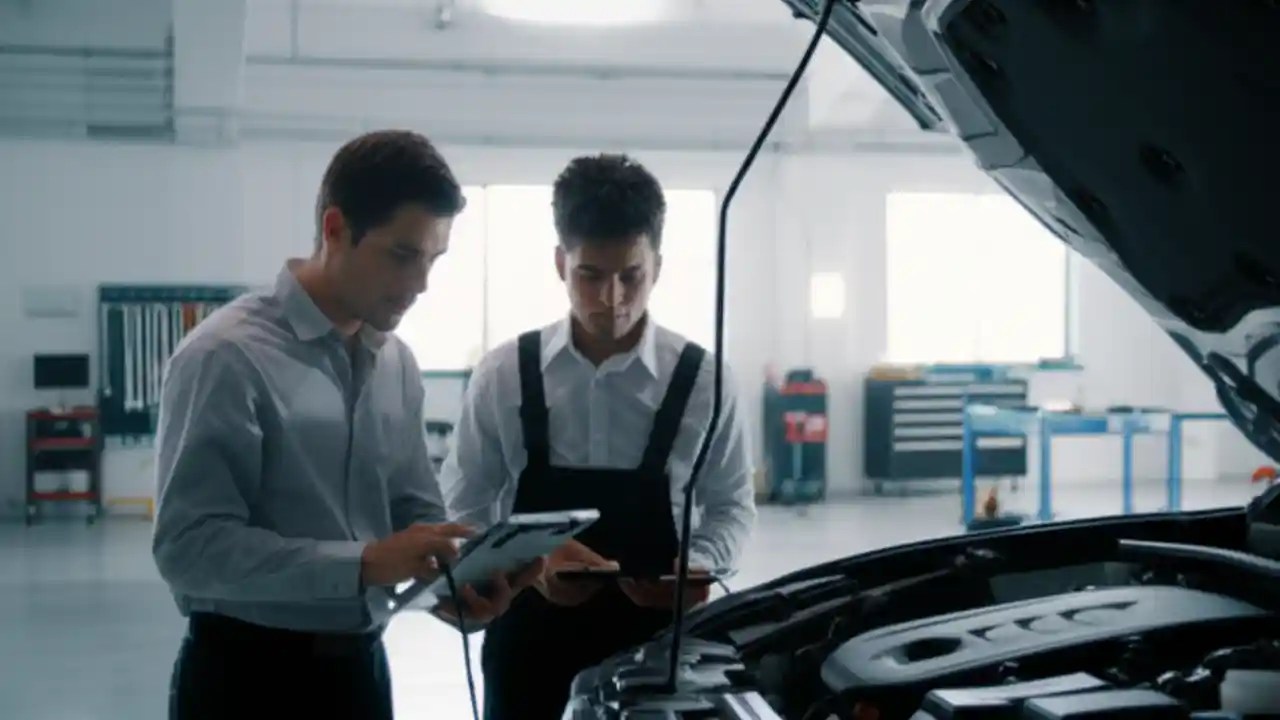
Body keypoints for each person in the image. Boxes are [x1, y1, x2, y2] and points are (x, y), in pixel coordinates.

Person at [151, 129, 544, 720]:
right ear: (335, 230)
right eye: (402, 255)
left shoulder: (397, 363)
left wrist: (461, 581)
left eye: (433, 260)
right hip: (245, 681)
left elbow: (414, 510)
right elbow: (188, 548)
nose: (420, 284)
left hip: (361, 674)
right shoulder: (225, 358)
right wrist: (363, 564)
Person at [439, 153, 758, 720]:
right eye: (590, 275)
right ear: (561, 263)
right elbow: (461, 508)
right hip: (527, 649)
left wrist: (700, 563)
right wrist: (530, 562)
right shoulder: (505, 373)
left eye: (631, 276)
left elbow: (731, 505)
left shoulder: (706, 381)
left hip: (661, 653)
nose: (612, 298)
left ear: (657, 264)